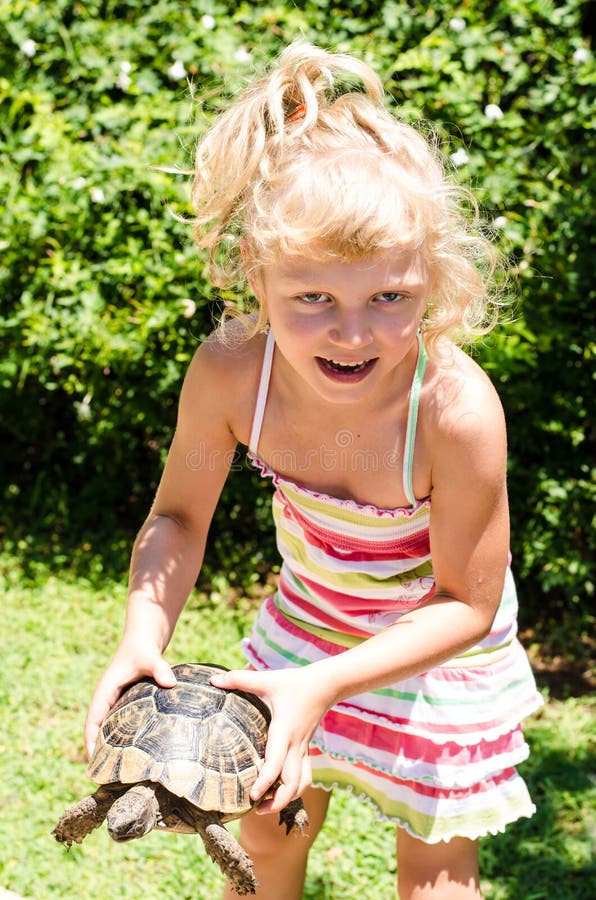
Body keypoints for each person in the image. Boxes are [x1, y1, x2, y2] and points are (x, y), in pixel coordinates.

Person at [85, 42, 542, 900]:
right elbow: (178, 518)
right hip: (309, 625)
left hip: (436, 656)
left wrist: (325, 686)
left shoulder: (453, 411)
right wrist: (141, 640)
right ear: (258, 278)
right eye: (314, 300)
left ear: (433, 284)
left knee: (437, 882)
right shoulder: (230, 373)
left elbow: (468, 604)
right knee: (264, 834)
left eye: (390, 298)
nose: (354, 332)